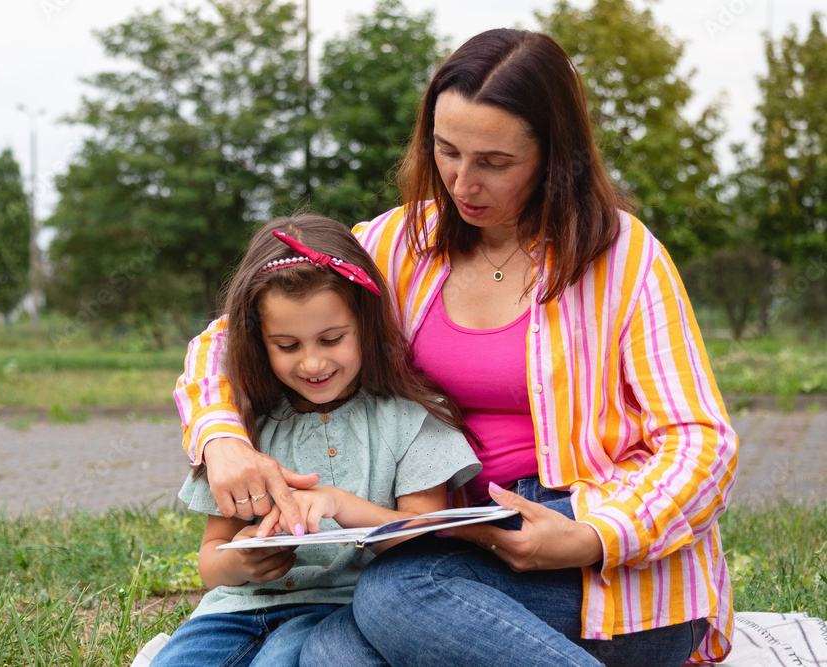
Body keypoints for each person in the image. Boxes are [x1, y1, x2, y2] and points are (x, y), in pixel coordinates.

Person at [175, 28, 738, 666]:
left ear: (556, 157)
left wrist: (589, 537)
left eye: (494, 162)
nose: (462, 183)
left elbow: (700, 443)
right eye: (446, 152)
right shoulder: (397, 245)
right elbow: (231, 338)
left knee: (395, 594)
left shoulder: (624, 260)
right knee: (333, 653)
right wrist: (221, 438)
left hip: (604, 572)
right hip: (448, 549)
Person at [153, 214, 481, 667]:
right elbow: (210, 562)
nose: (311, 363)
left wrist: (338, 504)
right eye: (287, 346)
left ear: (365, 324)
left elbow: (426, 542)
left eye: (331, 339)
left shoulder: (408, 421)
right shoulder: (246, 430)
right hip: (235, 610)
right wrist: (242, 562)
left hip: (338, 609)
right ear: (259, 342)